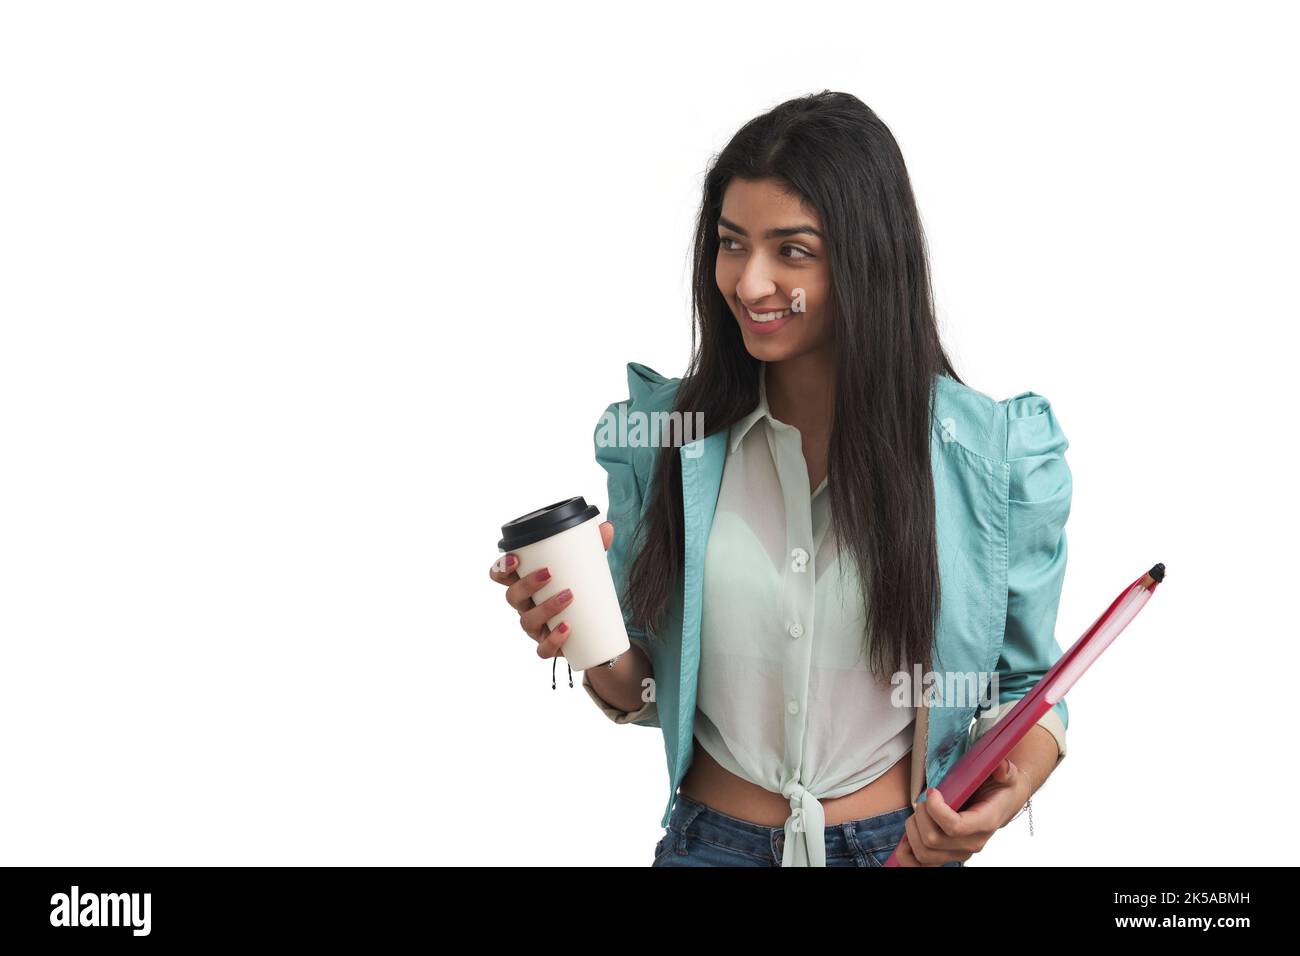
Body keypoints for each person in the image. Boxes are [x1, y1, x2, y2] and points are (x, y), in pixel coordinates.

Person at [490, 91, 1072, 866]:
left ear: (868, 259)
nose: (751, 282)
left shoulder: (991, 456)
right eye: (733, 244)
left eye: (792, 251)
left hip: (894, 850)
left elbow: (1026, 686)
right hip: (707, 844)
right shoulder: (666, 439)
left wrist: (1008, 792)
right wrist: (586, 639)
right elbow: (644, 691)